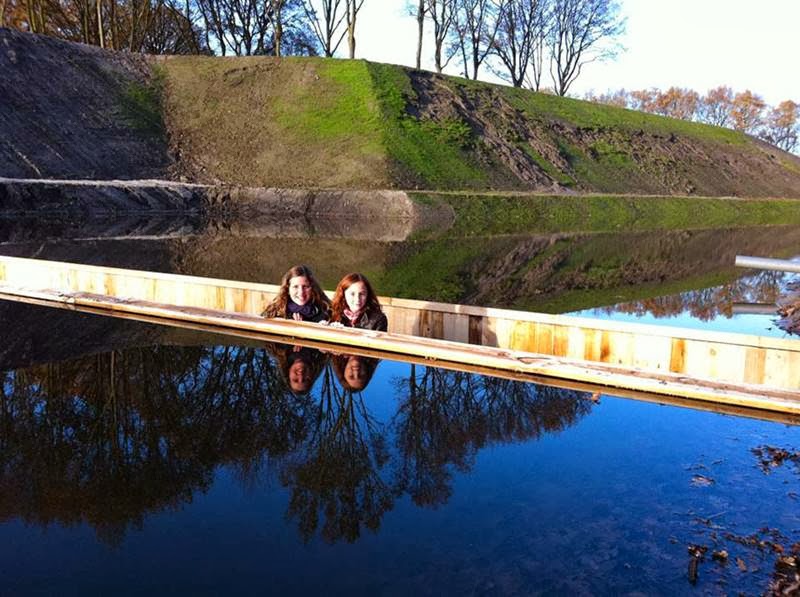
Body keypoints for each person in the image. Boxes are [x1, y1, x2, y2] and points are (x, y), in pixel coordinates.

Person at [262, 265, 331, 323]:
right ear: (287, 289)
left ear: (312, 288)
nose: (301, 292)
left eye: (305, 287)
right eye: (295, 287)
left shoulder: (326, 310)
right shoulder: (275, 311)